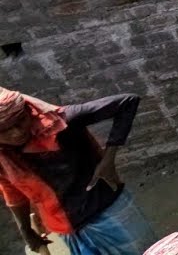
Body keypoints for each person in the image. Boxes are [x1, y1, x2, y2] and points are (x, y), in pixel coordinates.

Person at [0, 88, 154, 255]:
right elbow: (12, 191)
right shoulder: (3, 157)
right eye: (5, 130)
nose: (17, 132)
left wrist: (108, 159)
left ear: (29, 111)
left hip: (110, 213)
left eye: (21, 121)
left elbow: (127, 102)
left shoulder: (63, 122)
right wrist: (26, 230)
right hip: (67, 230)